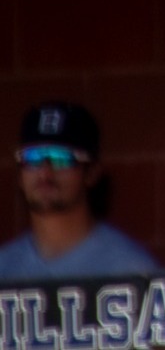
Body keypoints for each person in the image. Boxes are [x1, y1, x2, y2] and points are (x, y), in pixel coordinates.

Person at [0, 101, 155, 278]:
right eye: (33, 158)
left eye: (62, 159)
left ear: (91, 172)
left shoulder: (127, 267)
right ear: (20, 173)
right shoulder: (5, 266)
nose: (45, 173)